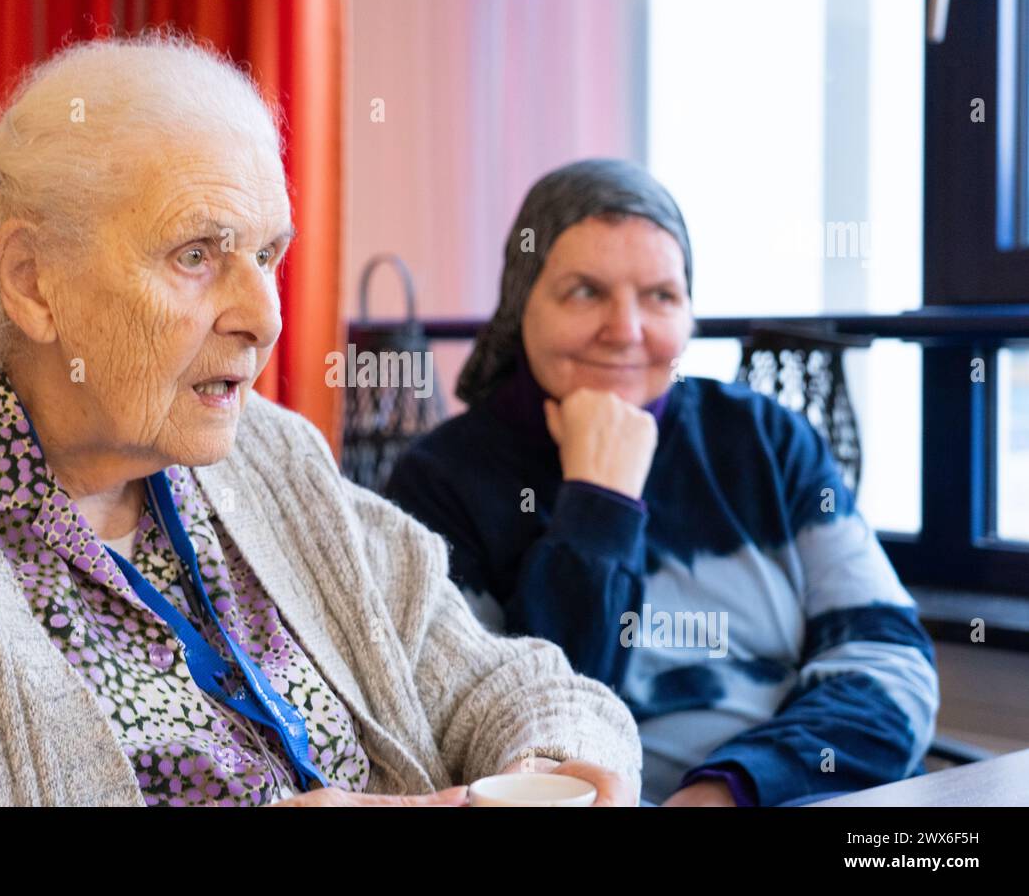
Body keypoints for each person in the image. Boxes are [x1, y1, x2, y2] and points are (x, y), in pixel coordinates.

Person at [0, 38, 641, 807]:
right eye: (197, 253)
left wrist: (547, 774)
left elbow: (511, 683)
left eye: (269, 254)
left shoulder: (273, 456)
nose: (267, 316)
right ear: (33, 281)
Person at [386, 159, 939, 806]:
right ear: (519, 305)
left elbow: (889, 662)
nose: (627, 331)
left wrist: (729, 788)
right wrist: (599, 503)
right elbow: (503, 731)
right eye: (585, 292)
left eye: (660, 296)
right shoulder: (438, 483)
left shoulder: (764, 439)